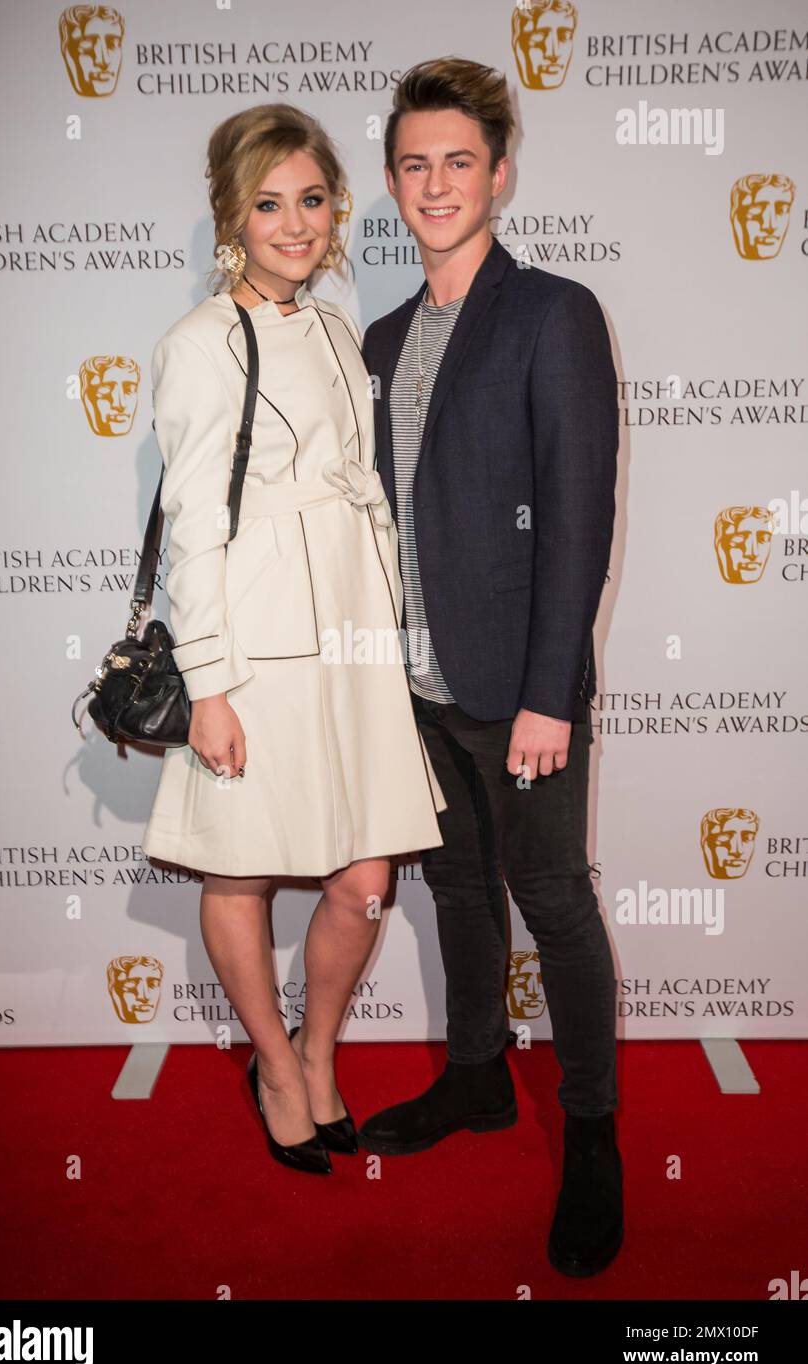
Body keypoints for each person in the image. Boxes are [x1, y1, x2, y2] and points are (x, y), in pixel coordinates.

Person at [141, 103, 446, 1176]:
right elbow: (191, 527)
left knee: (364, 874)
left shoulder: (331, 327)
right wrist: (211, 684)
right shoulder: (195, 344)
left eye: (310, 200)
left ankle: (319, 1050)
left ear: (335, 209)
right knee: (242, 872)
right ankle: (272, 1062)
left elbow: (363, 492)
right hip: (257, 643)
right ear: (232, 211)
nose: (293, 222)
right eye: (268, 202)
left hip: (353, 635)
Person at [357, 58, 622, 1277]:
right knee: (458, 892)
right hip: (413, 681)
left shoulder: (551, 312)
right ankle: (475, 1076)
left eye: (458, 160)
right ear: (394, 180)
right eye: (414, 163)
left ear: (500, 173)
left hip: (518, 690)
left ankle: (593, 1134)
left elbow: (575, 517)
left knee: (553, 900)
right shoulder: (379, 334)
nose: (435, 183)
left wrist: (543, 691)